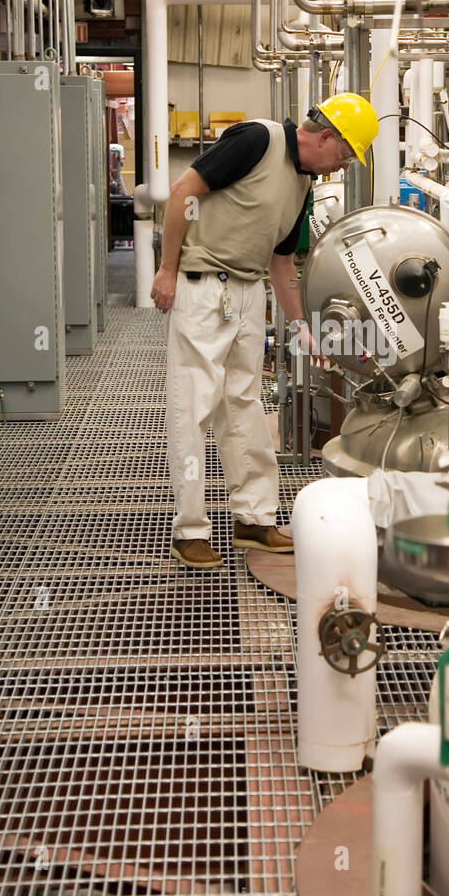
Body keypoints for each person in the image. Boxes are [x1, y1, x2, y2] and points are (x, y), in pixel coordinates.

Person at [151, 93, 380, 569]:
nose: (342, 167)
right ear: (325, 136)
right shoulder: (257, 139)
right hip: (201, 287)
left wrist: (301, 326)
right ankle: (189, 531)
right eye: (344, 155)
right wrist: (167, 269)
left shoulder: (304, 184)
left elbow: (282, 263)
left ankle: (253, 519)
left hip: (249, 292)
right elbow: (183, 192)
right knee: (193, 406)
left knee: (245, 405)